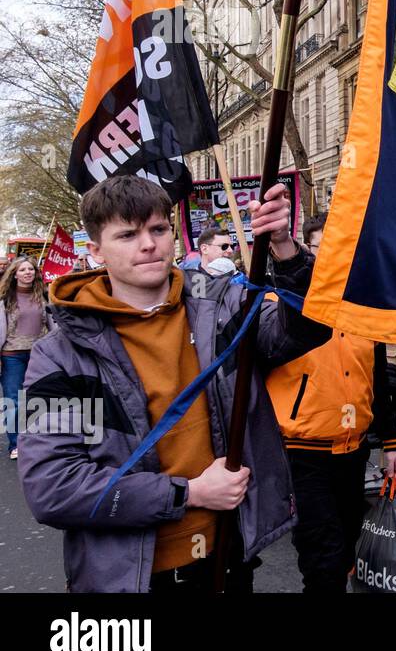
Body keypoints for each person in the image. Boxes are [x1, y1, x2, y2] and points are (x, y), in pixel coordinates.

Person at [19, 175, 330, 592]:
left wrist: (286, 251)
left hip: (228, 560)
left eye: (158, 229)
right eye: (127, 234)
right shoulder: (58, 355)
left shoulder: (222, 308)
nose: (148, 244)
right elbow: (53, 488)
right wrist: (189, 493)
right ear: (95, 251)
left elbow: (305, 331)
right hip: (133, 578)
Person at [265, 211, 396, 593]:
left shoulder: (361, 309)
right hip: (301, 453)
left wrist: (390, 442)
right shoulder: (281, 304)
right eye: (318, 248)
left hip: (352, 451)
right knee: (322, 557)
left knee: (344, 551)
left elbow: (377, 378)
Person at [1, 256, 51, 459]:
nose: (27, 273)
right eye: (22, 270)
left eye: (31, 269)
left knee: (40, 399)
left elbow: (52, 323)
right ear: (14, 275)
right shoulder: (5, 299)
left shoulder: (43, 296)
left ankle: (39, 441)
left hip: (40, 354)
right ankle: (15, 444)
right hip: (12, 356)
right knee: (14, 400)